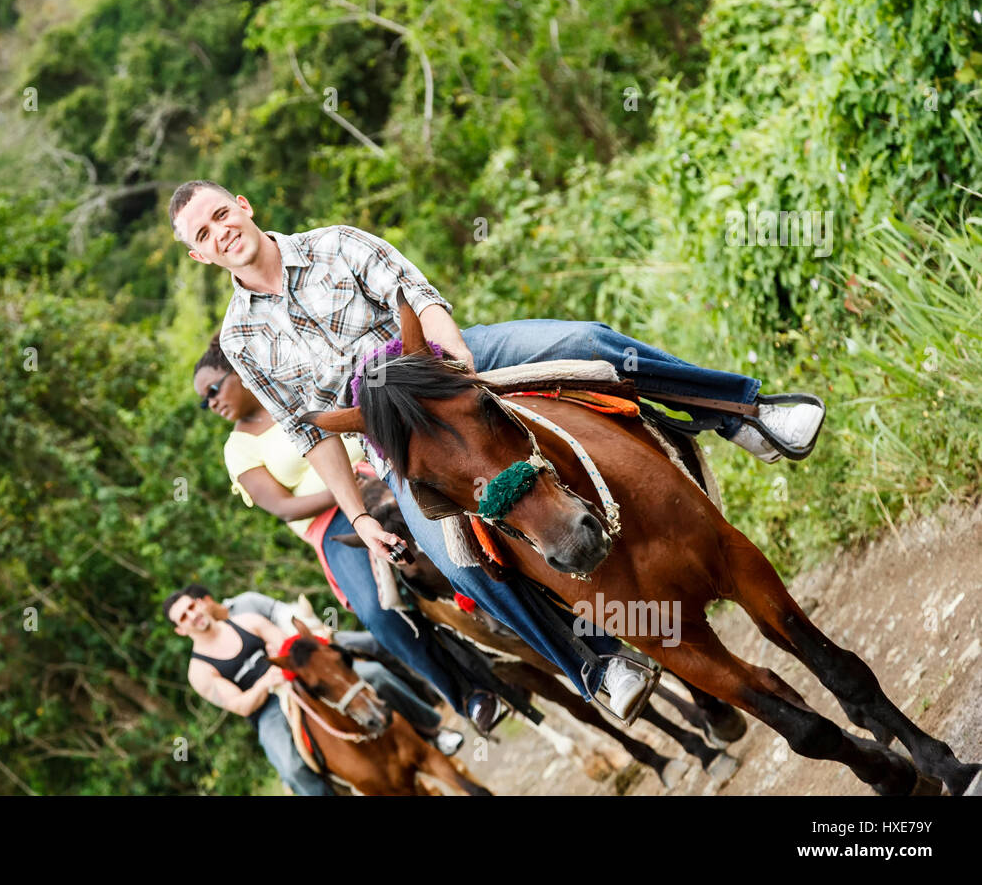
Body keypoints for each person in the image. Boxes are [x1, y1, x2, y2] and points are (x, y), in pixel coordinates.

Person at [168, 179, 828, 719]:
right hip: (394, 438)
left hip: (445, 364)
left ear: (244, 206)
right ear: (200, 256)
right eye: (203, 234)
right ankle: (593, 664)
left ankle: (742, 412)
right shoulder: (243, 341)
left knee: (594, 343)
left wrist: (457, 359)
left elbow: (419, 298)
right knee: (456, 564)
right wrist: (362, 518)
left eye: (221, 214)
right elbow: (312, 433)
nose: (220, 231)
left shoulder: (335, 244)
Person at [192, 333, 501, 730]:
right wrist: (343, 491)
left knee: (471, 495)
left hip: (383, 471)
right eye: (205, 401)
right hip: (332, 521)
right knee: (376, 611)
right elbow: (284, 508)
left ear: (238, 371)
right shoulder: (237, 449)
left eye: (213, 390)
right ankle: (467, 694)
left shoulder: (295, 385)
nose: (211, 403)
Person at [163, 583, 463, 797]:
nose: (192, 615)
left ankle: (433, 729)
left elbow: (284, 644)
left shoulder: (246, 620)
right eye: (183, 617)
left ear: (201, 602)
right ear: (180, 629)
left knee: (374, 675)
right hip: (266, 710)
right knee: (291, 766)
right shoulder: (199, 671)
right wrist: (267, 680)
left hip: (297, 679)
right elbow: (241, 705)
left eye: (191, 607)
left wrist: (286, 666)